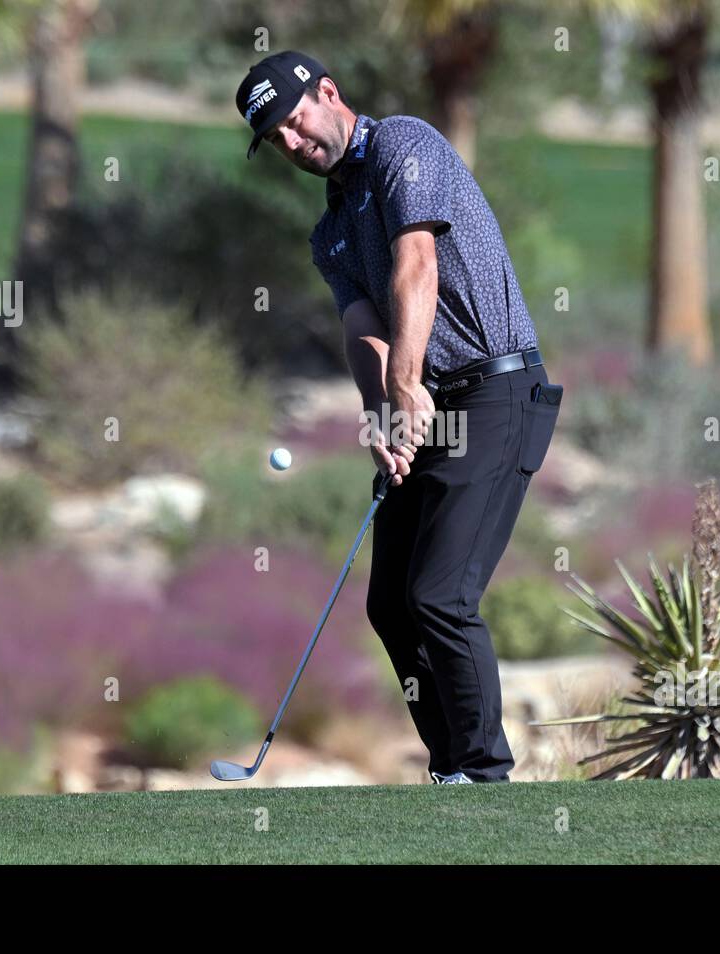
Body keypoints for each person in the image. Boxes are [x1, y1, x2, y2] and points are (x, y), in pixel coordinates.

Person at [235, 51, 561, 784]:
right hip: (428, 402)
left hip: (496, 393)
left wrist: (408, 381)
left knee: (440, 593)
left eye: (294, 120)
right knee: (391, 604)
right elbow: (362, 327)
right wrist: (383, 409)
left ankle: (483, 774)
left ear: (328, 92)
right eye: (274, 137)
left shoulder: (404, 146)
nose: (292, 143)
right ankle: (449, 770)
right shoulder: (331, 230)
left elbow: (417, 266)